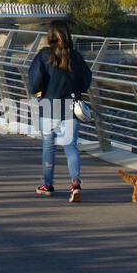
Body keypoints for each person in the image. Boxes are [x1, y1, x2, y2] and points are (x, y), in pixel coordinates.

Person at [27, 20, 93, 202]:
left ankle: (47, 185)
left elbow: (34, 82)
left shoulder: (44, 56)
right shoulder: (76, 57)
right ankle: (75, 184)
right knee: (71, 147)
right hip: (71, 107)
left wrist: (38, 93)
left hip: (49, 106)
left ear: (50, 36)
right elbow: (86, 80)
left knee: (49, 146)